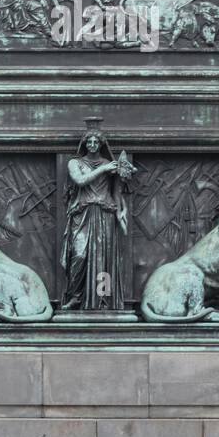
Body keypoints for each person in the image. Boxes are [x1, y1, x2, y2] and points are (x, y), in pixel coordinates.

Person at [60, 128, 131, 311]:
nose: (92, 145)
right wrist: (103, 169)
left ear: (100, 144)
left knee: (103, 259)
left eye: (95, 142)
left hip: (104, 214)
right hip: (82, 214)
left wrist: (120, 211)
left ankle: (103, 298)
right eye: (89, 142)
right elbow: (80, 180)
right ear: (84, 144)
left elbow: (115, 192)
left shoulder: (109, 164)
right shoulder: (74, 163)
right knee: (79, 255)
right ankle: (75, 296)